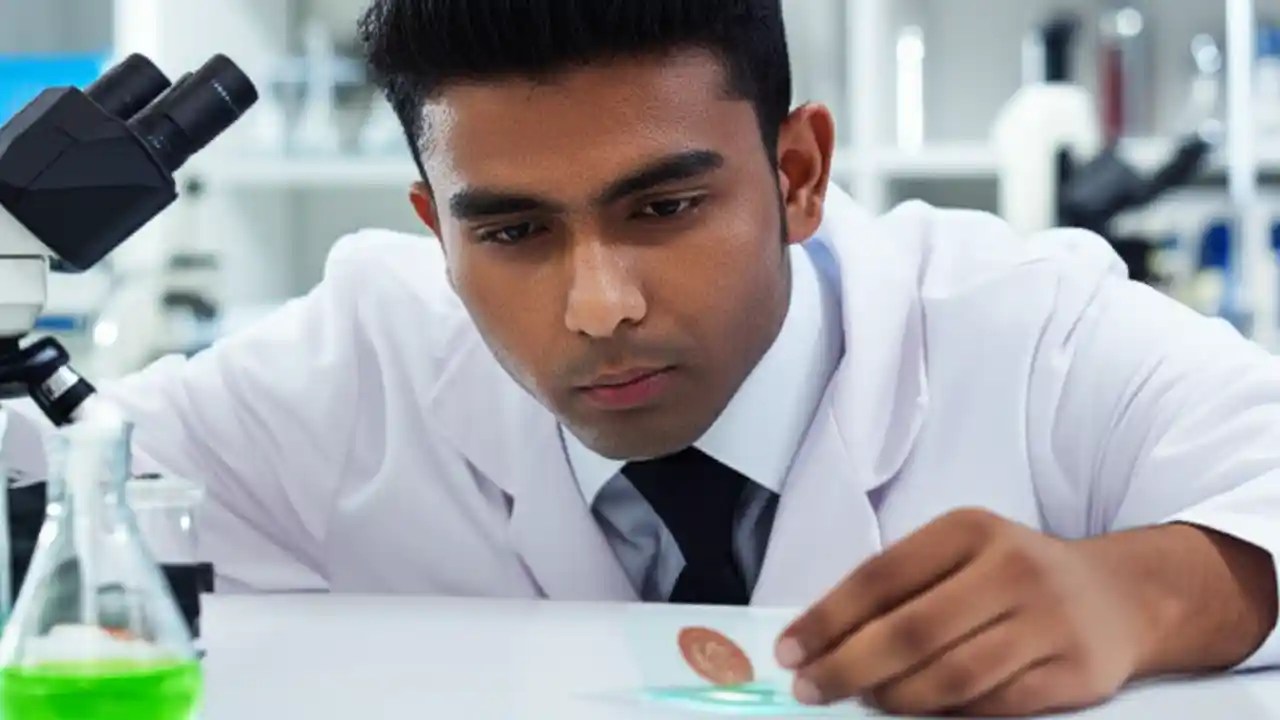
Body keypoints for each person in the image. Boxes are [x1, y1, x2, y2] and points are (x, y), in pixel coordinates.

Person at [2, 0, 1279, 715]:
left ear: (797, 172)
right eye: (510, 231)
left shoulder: (1021, 322)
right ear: (435, 230)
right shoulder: (352, 367)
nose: (598, 307)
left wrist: (1140, 596)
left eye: (663, 207)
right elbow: (47, 483)